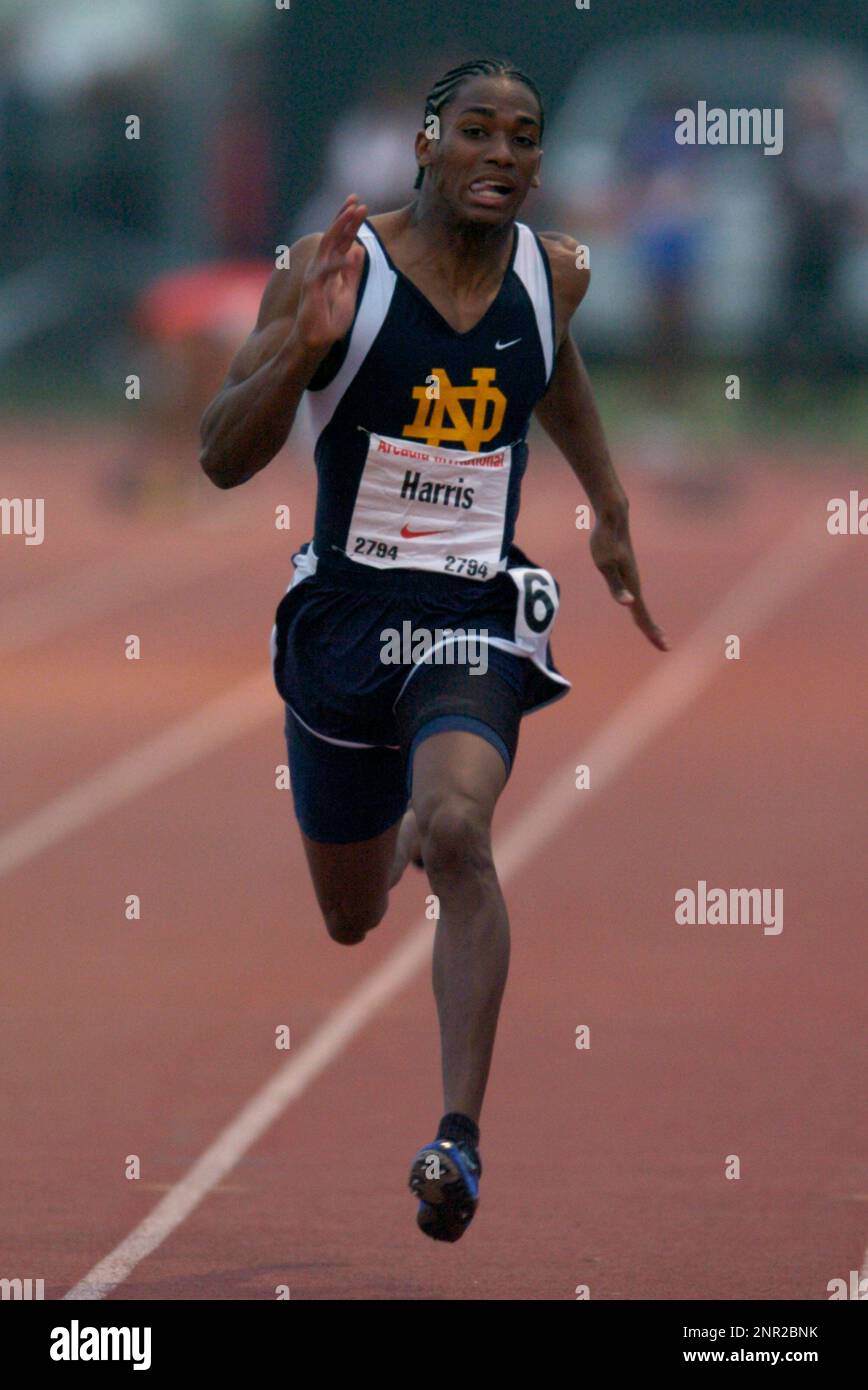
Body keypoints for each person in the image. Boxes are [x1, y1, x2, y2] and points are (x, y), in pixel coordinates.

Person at [199, 58, 667, 1243]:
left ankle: (455, 1137)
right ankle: (397, 786)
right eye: (477, 131)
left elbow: (547, 364)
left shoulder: (555, 273)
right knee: (352, 917)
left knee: (458, 830)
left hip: (471, 609)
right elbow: (218, 452)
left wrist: (606, 504)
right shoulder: (330, 270)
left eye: (525, 137)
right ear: (424, 141)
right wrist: (303, 352)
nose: (503, 154)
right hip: (346, 618)